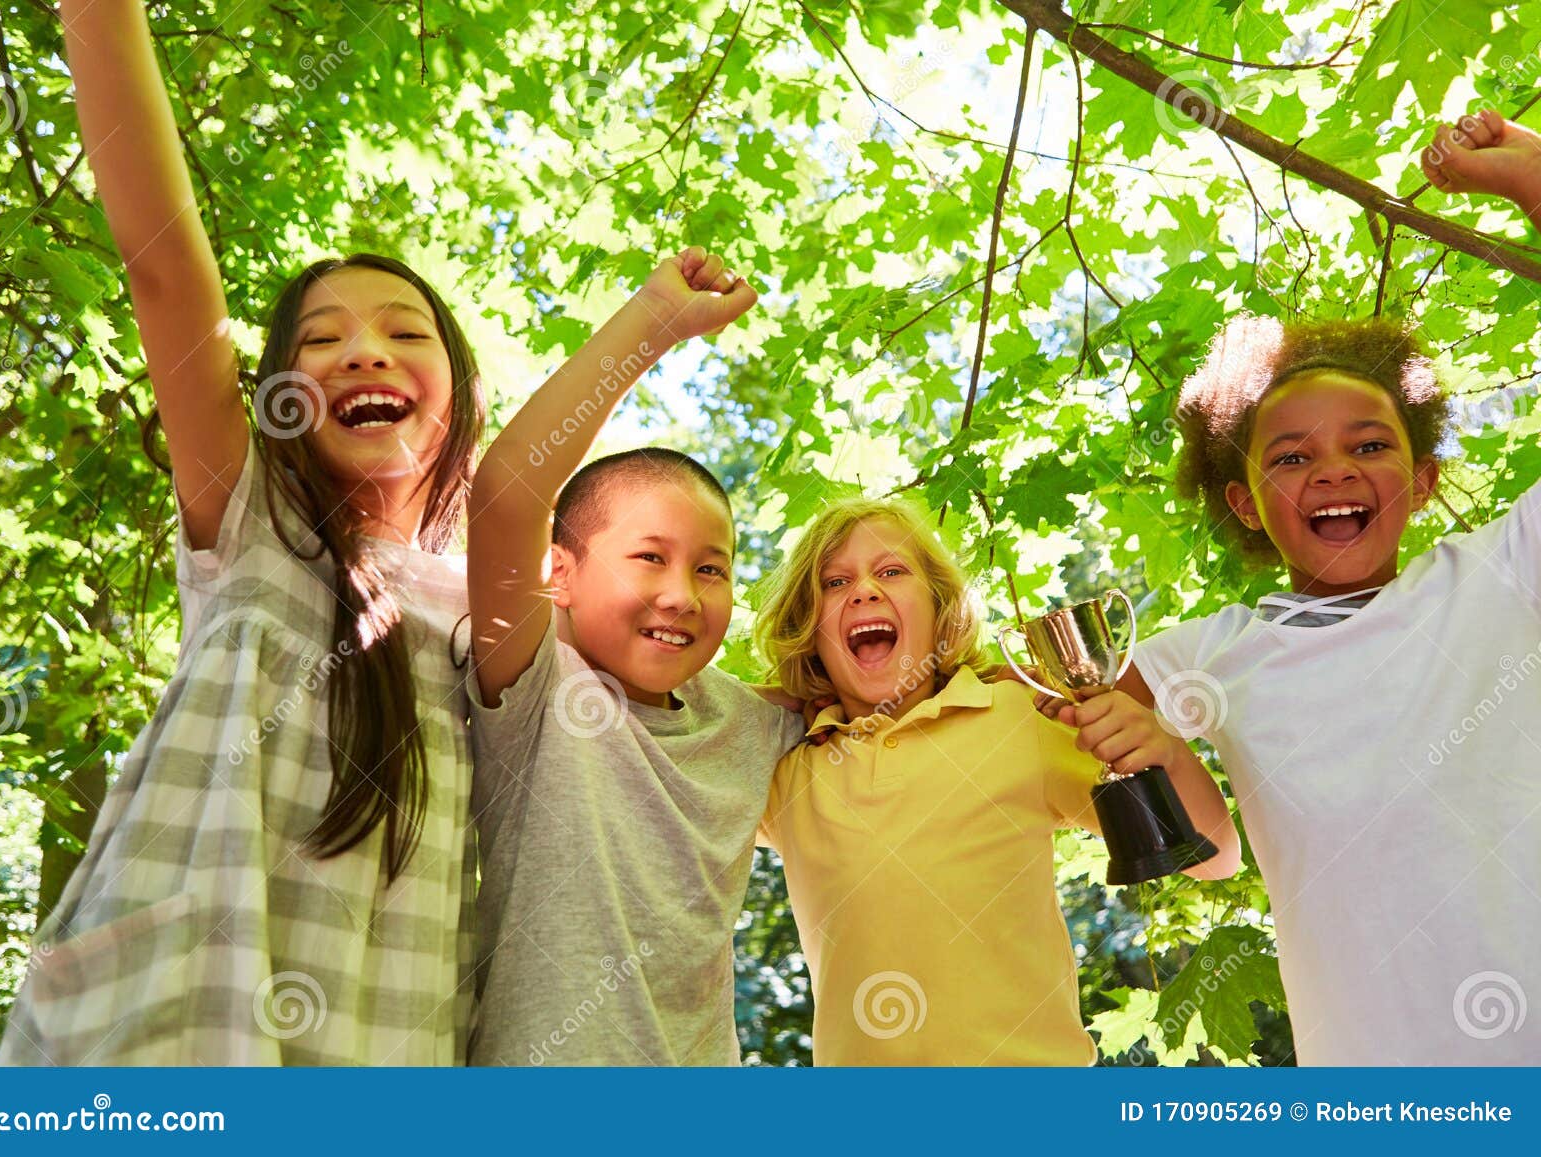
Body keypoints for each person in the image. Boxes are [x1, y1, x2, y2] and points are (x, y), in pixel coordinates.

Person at [0, 0, 482, 1065]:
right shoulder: (255, 513)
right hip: (174, 1022)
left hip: (387, 1035)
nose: (364, 350)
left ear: (462, 398)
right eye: (320, 339)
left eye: (405, 333)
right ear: (273, 397)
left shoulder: (483, 615)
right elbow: (165, 267)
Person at [1044, 109, 1541, 1064]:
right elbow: (1209, 846)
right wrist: (1145, 741)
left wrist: (1533, 188)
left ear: (1424, 480)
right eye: (1292, 457)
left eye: (1369, 446)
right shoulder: (1207, 652)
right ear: (1244, 501)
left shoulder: (1507, 570)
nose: (1334, 472)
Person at [466, 247, 809, 1064]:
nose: (683, 595)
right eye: (649, 557)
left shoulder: (750, 720)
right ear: (562, 574)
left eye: (712, 568)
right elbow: (507, 489)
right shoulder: (534, 678)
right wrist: (654, 322)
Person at [752, 498, 1239, 1064]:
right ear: (809, 631)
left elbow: (1214, 858)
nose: (863, 590)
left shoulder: (1017, 717)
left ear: (942, 612)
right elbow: (679, 719)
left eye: (891, 571)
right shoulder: (793, 767)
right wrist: (791, 696)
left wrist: (1167, 754)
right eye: (835, 583)